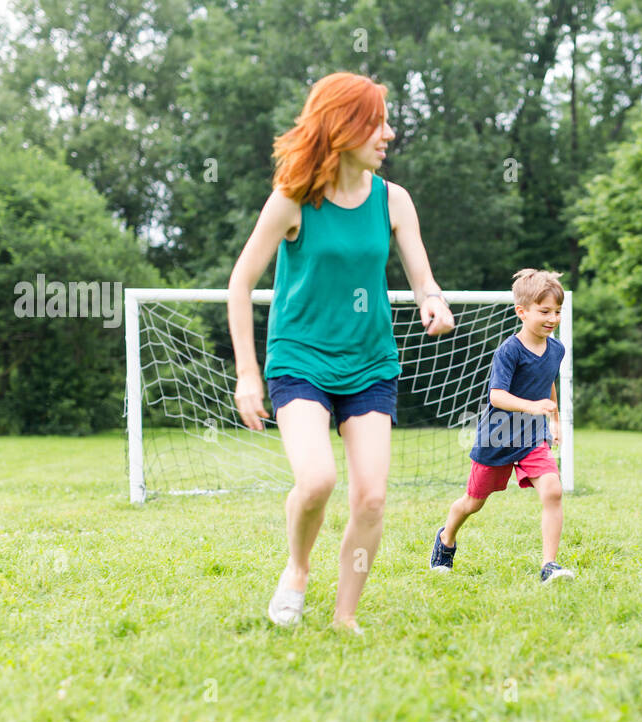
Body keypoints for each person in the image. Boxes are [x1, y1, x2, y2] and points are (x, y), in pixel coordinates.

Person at [227, 72, 454, 632]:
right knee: (318, 480)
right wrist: (247, 376)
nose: (389, 134)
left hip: (370, 362)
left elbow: (423, 278)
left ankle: (344, 618)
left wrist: (433, 302)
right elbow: (241, 282)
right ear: (344, 126)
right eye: (377, 123)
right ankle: (298, 570)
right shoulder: (293, 200)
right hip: (300, 359)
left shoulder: (393, 200)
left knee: (372, 497)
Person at [430, 269, 574, 583]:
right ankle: (446, 539)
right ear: (522, 312)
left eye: (557, 312)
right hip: (498, 435)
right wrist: (533, 407)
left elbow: (547, 383)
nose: (552, 318)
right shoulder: (509, 350)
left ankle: (549, 565)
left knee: (553, 491)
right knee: (473, 502)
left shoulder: (557, 349)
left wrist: (554, 421)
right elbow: (497, 396)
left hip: (533, 436)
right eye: (544, 311)